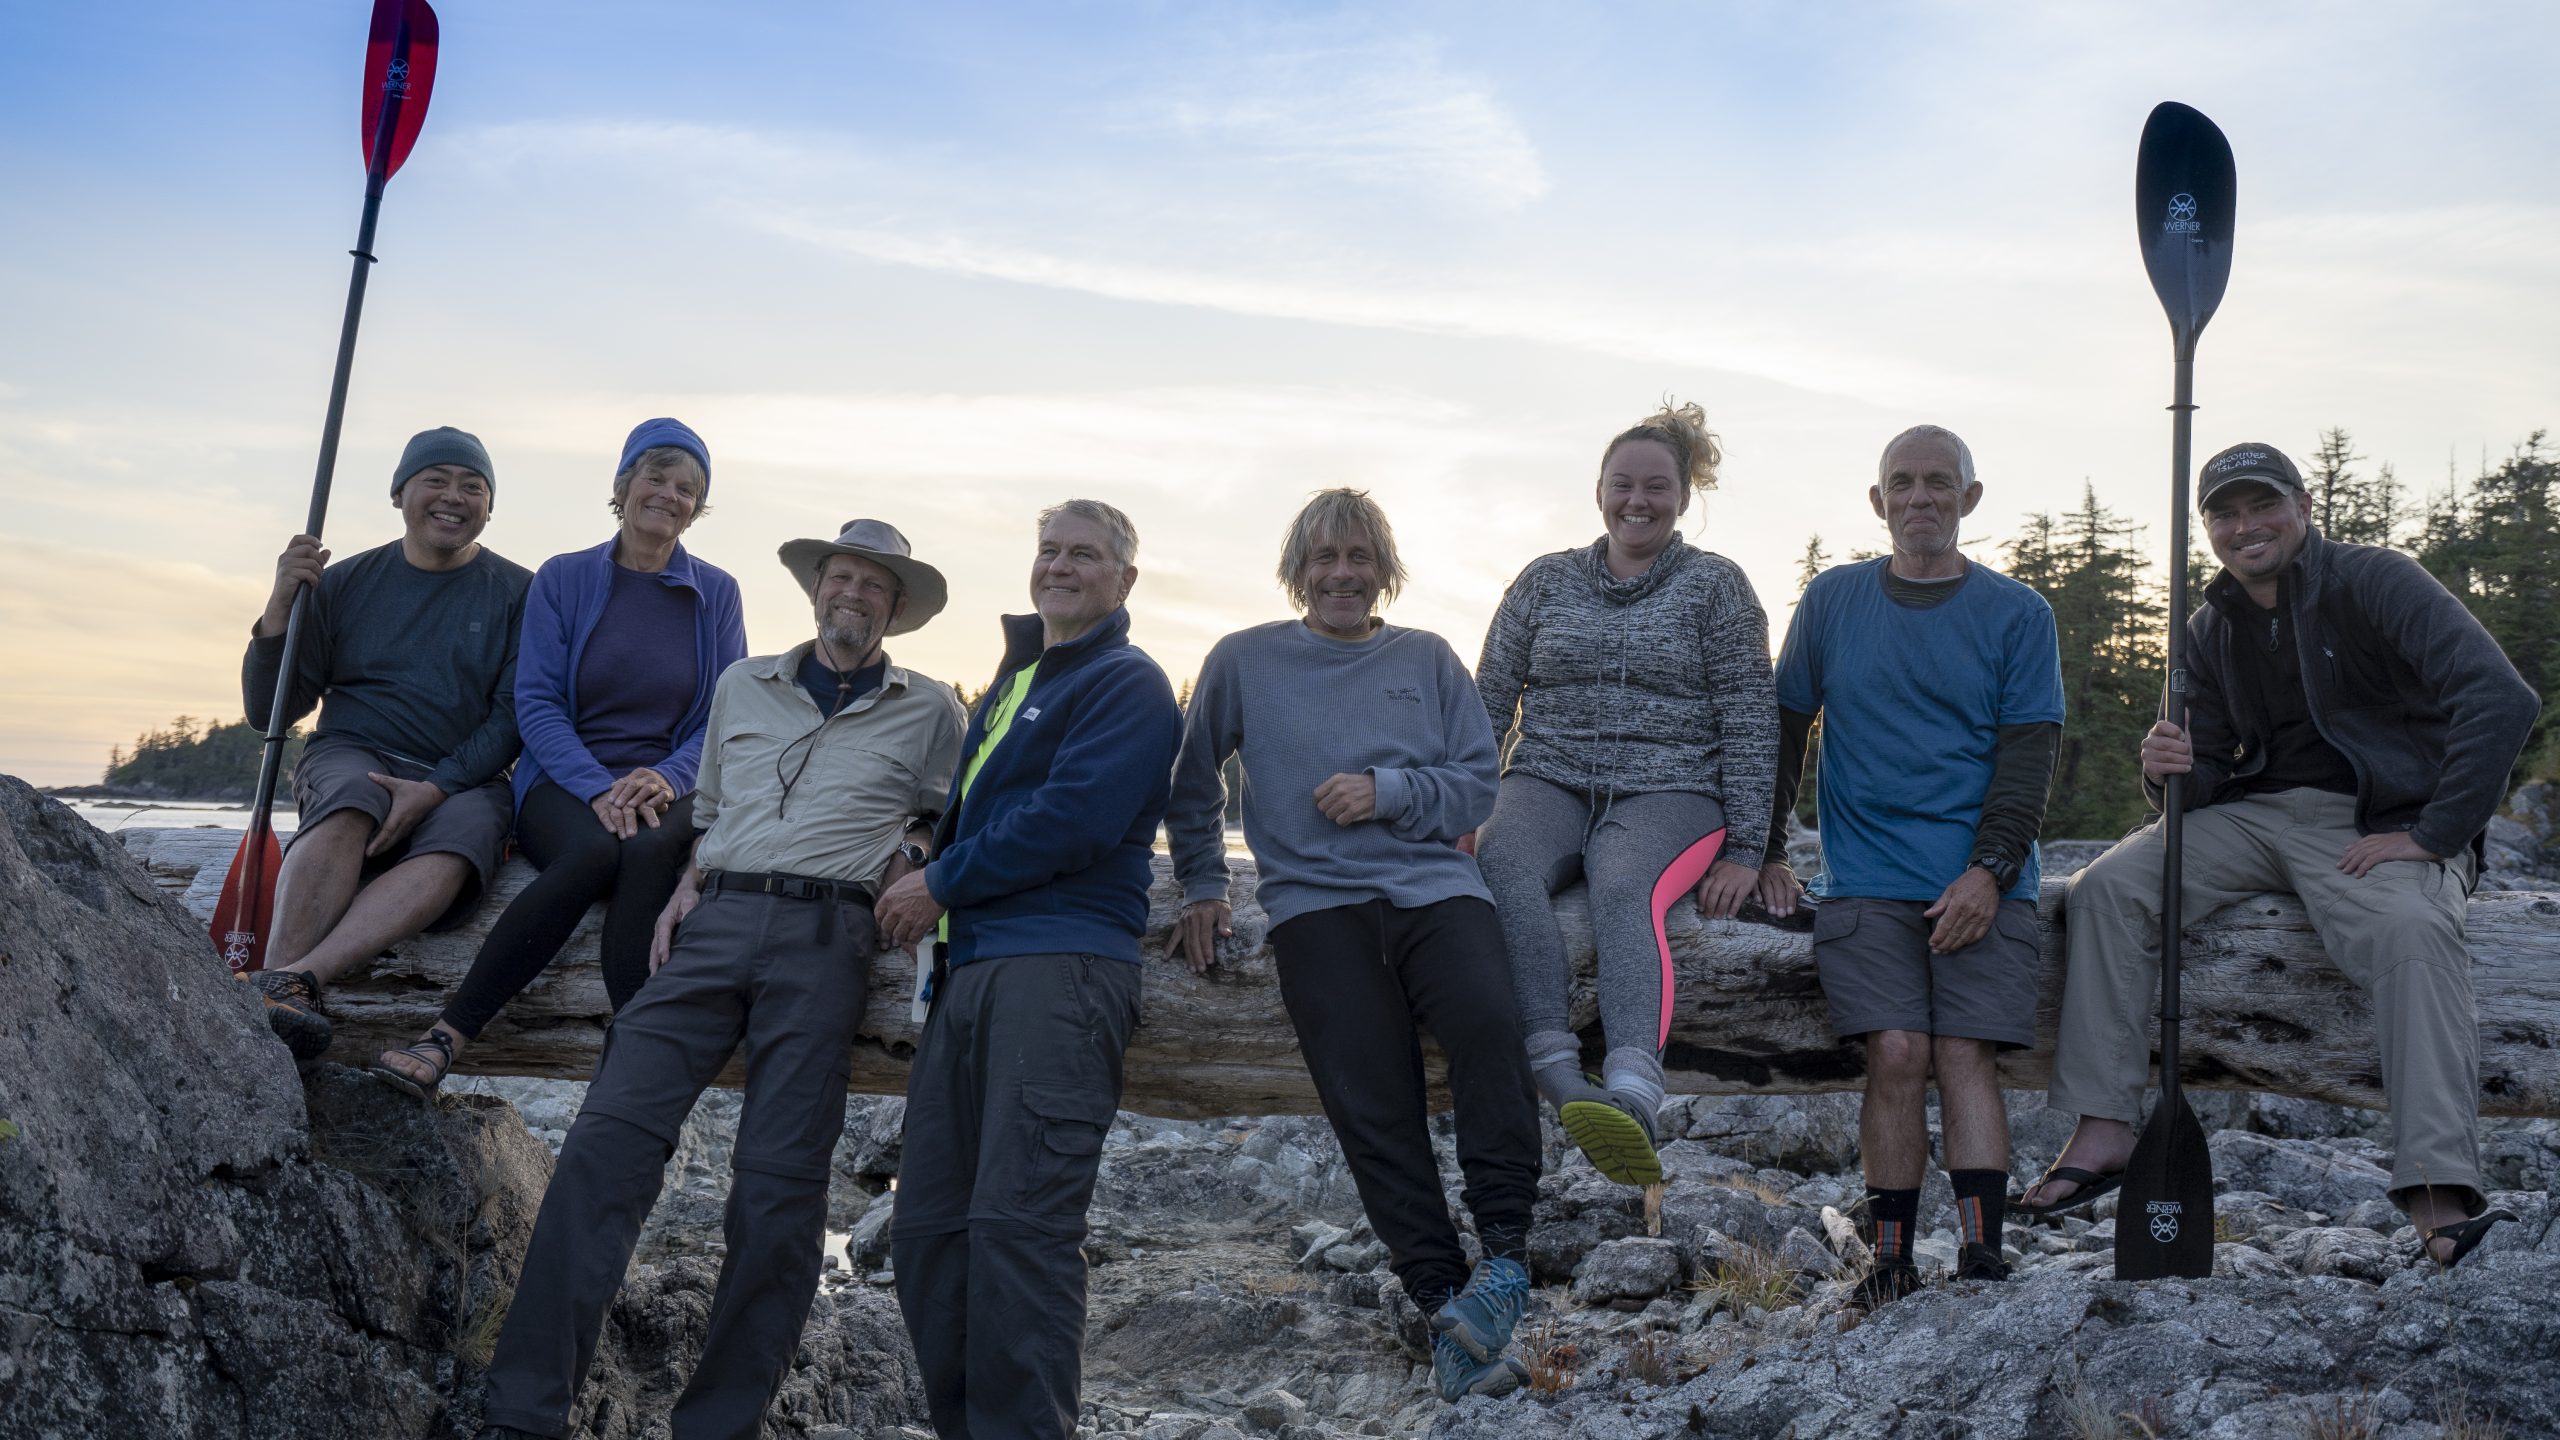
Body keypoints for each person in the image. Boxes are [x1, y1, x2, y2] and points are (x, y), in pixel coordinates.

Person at [475, 519, 964, 1440]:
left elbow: (944, 818)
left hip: (830, 937)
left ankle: (718, 1425)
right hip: (714, 926)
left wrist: (913, 853)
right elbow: (707, 805)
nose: (851, 596)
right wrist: (685, 881)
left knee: (778, 1194)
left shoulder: (932, 708)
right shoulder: (744, 685)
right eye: (840, 578)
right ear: (817, 588)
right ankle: (523, 1414)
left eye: (873, 586)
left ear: (896, 609)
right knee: (603, 1147)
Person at [2020, 442, 2536, 1269]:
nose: (2245, 525)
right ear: (2210, 530)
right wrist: (2168, 776)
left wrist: (2436, 834)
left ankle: (2438, 1187)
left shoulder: (2376, 582)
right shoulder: (2206, 626)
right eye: (2224, 513)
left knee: (2411, 930)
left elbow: (2500, 698)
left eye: (2262, 505)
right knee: (2107, 887)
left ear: (2302, 506)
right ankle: (2107, 1126)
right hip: (2253, 818)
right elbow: (2209, 774)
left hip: (2374, 819)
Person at [1167, 489, 1544, 1401]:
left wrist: (1388, 792)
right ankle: (1443, 1303)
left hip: (1435, 891)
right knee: (1370, 1098)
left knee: (1494, 1032)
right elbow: (1191, 783)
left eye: (1360, 557)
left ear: (1384, 570)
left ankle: (1504, 1262)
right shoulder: (1244, 659)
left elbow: (1474, 787)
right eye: (1324, 558)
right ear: (1298, 570)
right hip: (1313, 906)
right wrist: (1205, 884)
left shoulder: (1426, 658)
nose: (1342, 573)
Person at [872, 499, 1183, 1440]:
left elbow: (1075, 817)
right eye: (1048, 550)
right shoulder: (1016, 678)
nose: (1060, 566)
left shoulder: (1127, 682)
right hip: (970, 976)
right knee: (928, 1233)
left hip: (1061, 968)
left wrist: (943, 881)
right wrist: (928, 846)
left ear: (1124, 580)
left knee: (1020, 1234)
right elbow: (973, 804)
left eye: (1084, 555)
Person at [1759, 425, 2063, 1313]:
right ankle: (1888, 1262)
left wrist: (1991, 871)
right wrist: (1769, 848)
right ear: (1878, 501)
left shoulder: (2018, 614)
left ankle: (1980, 1257)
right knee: (1898, 1051)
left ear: (1970, 499)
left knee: (1966, 1053)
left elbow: (2028, 758)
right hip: (1866, 880)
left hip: (1985, 879)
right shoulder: (1834, 601)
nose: (1920, 497)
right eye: (1903, 483)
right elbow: (1782, 732)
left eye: (1940, 483)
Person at [374, 418, 747, 1098]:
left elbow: (726, 716)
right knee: (593, 854)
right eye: (656, 477)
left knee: (644, 852)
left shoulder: (716, 593)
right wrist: (595, 787)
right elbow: (537, 702)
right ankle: (448, 1034)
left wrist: (664, 777)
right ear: (624, 485)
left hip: (670, 784)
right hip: (561, 781)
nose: (669, 495)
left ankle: (629, 1063)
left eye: (687, 488)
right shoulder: (565, 578)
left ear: (698, 506)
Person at [1474, 400, 1777, 1184]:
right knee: (1501, 860)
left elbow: (1750, 717)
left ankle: (1635, 1087)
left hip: (1672, 791)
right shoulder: (1544, 581)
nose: (1637, 502)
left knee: (1619, 886)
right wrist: (1464, 804)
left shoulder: (1716, 587)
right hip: (1548, 777)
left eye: (1656, 487)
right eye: (1622, 485)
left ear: (1683, 496)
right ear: (1599, 490)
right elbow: (1487, 700)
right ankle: (1557, 1069)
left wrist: (1749, 847)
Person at [236, 427, 532, 1060]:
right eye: (437, 480)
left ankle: (300, 980)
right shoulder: (341, 582)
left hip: (465, 775)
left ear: (489, 506)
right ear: (400, 493)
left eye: (473, 487)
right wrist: (280, 607)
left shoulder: (520, 592)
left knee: (463, 841)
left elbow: (512, 717)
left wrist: (437, 787)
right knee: (349, 799)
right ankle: (270, 996)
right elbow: (273, 710)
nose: (454, 497)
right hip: (354, 750)